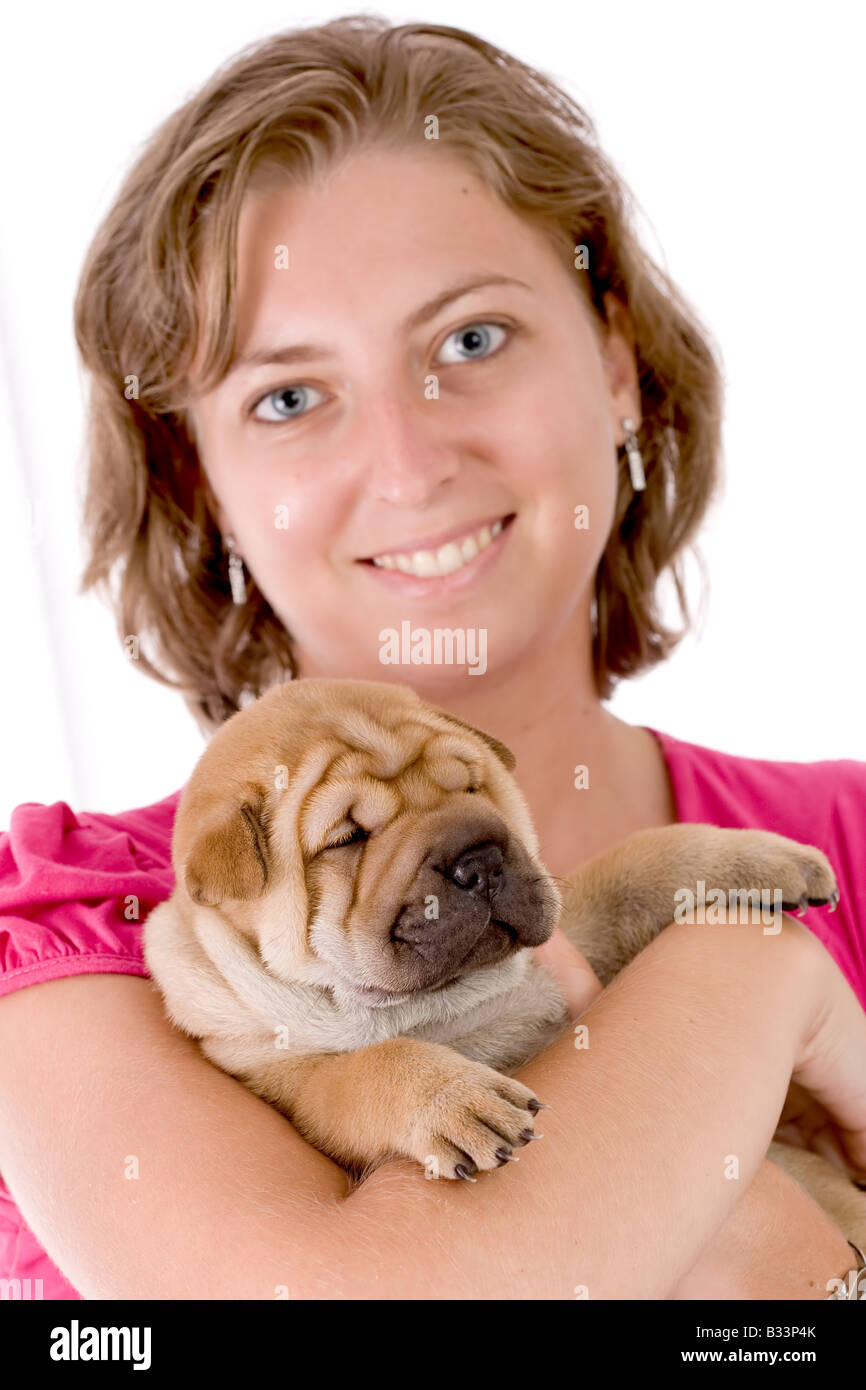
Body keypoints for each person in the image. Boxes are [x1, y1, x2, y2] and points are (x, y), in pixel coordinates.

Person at [1, 15, 864, 1302]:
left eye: (469, 339)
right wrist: (743, 987)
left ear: (617, 363)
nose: (407, 464)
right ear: (203, 483)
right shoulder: (88, 936)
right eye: (288, 397)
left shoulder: (842, 840)